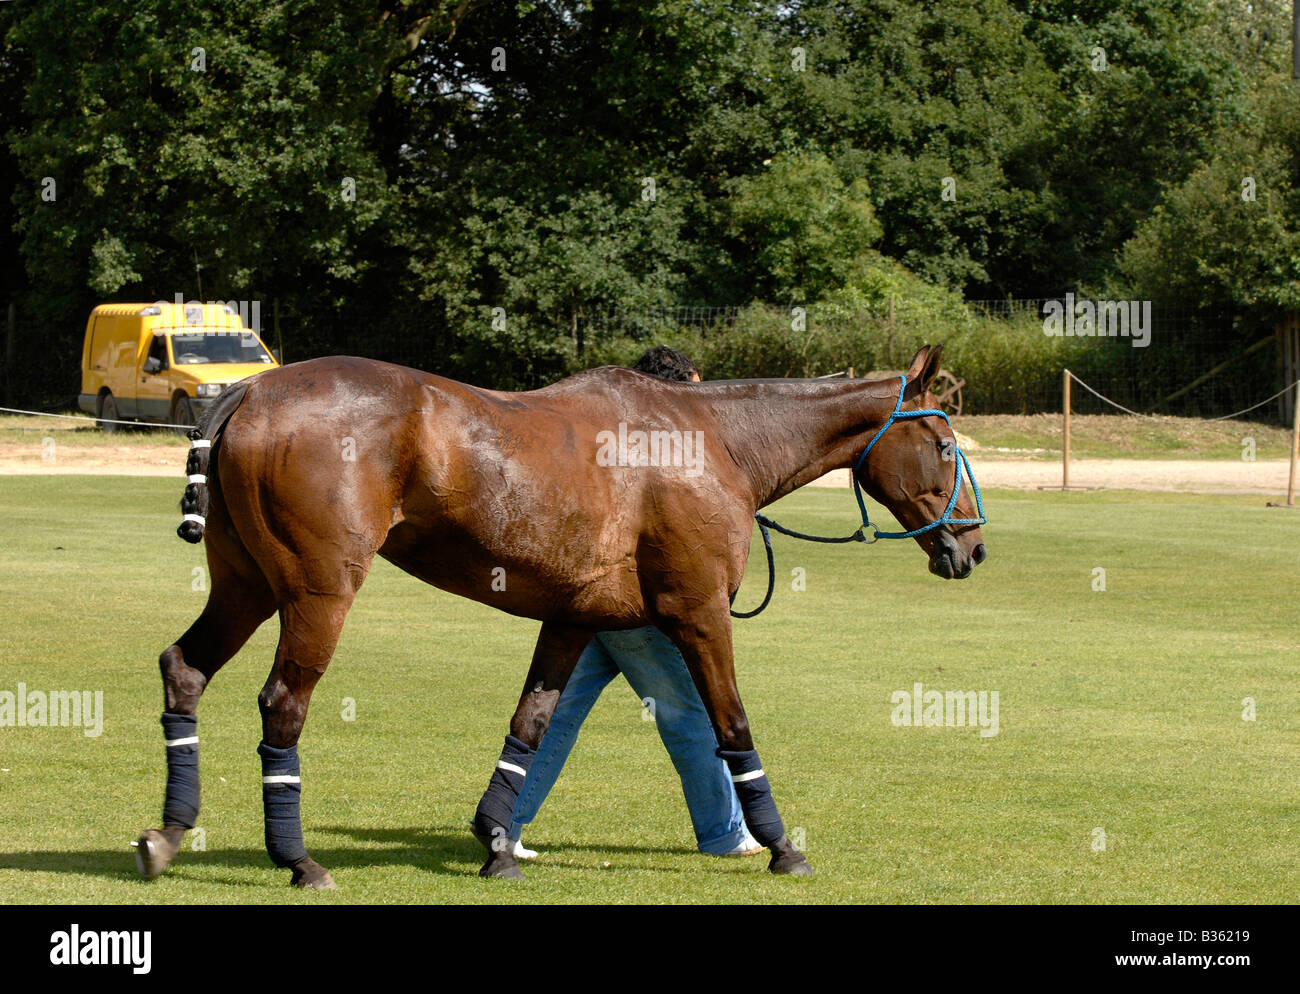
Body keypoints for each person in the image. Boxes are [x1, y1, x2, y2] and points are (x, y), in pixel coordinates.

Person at [504, 346, 761, 858]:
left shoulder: (623, 435)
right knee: (689, 713)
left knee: (554, 717)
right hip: (633, 614)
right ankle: (725, 833)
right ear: (672, 387)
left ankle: (503, 822)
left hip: (590, 607)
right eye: (693, 387)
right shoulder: (665, 441)